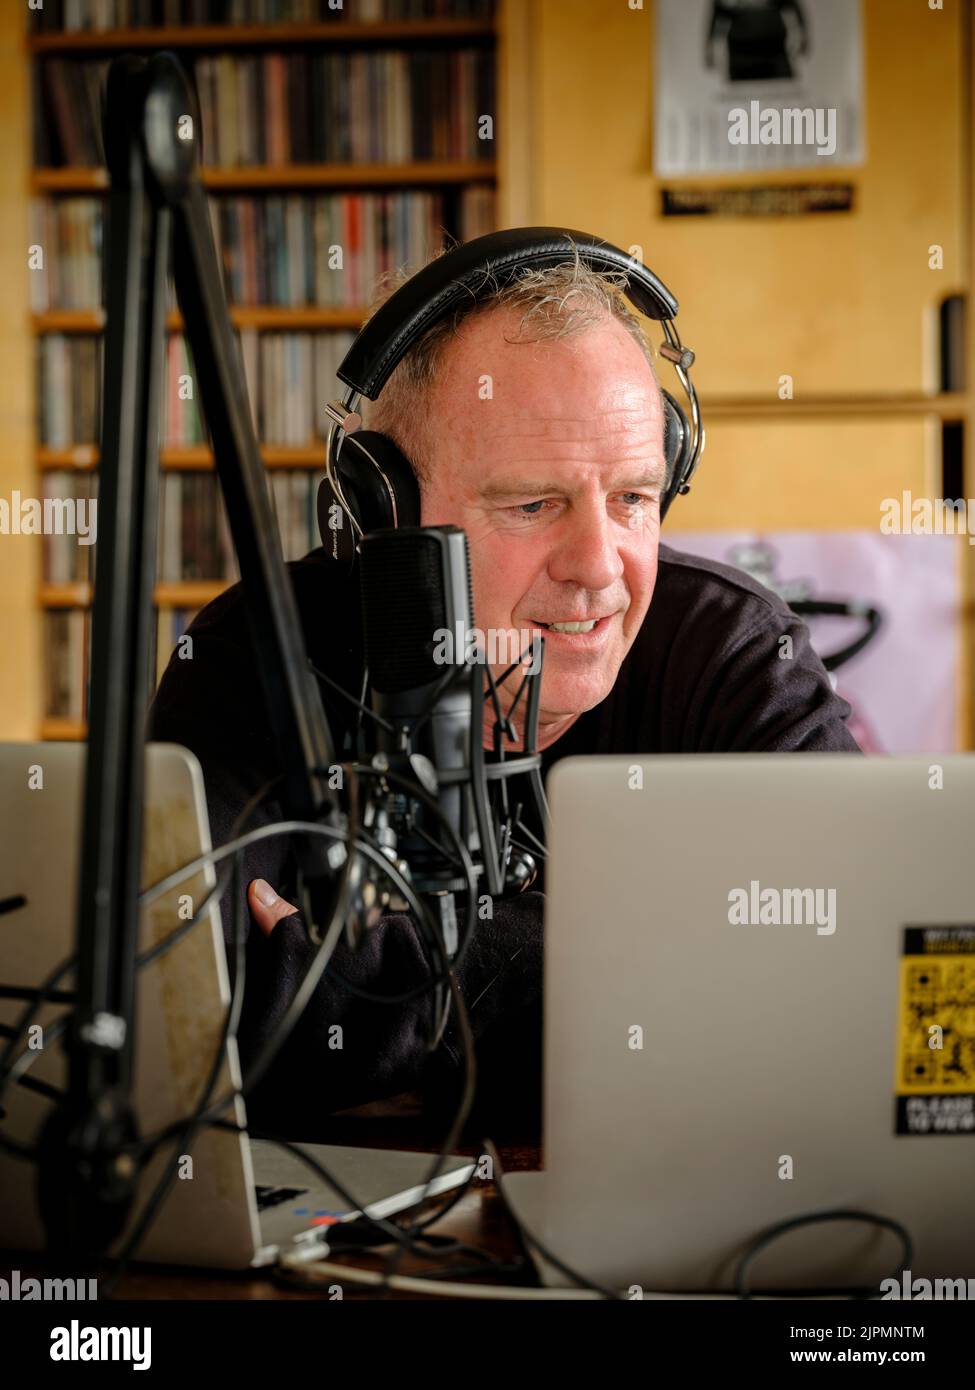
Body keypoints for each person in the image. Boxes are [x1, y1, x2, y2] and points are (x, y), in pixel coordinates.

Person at [148, 247, 859, 1141]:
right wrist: (660, 961)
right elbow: (194, 1025)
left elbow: (846, 994)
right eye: (531, 505)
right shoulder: (257, 658)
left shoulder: (732, 655)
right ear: (383, 514)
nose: (599, 568)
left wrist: (391, 977)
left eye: (635, 497)